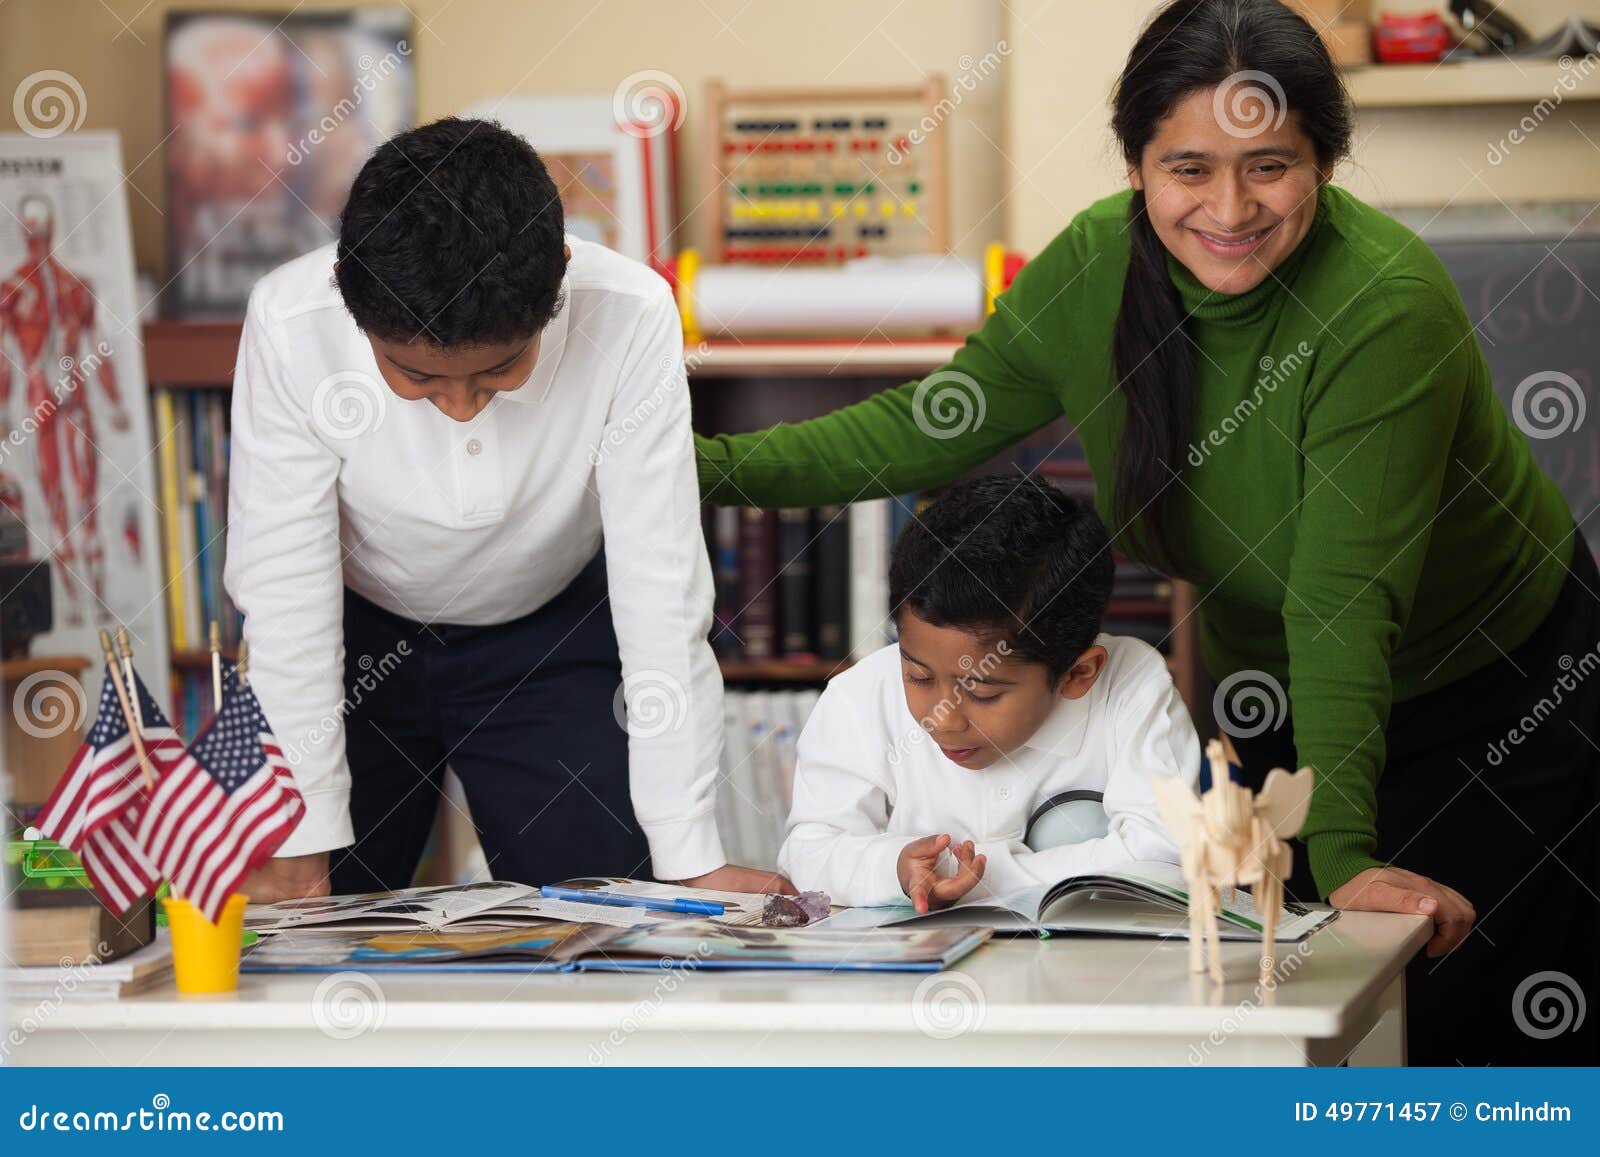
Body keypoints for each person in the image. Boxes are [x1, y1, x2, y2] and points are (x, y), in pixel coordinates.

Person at [699, 0, 1598, 1063]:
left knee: (1459, 1031)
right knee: (1264, 1020)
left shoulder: (1384, 305)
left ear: (1324, 163)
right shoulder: (1092, 269)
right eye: (1189, 168)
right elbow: (922, 425)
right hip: (1277, 687)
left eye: (1270, 166)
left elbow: (1342, 597)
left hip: (1500, 691)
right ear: (1136, 166)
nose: (1229, 206)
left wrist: (1347, 852)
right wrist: (692, 472)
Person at [228, 117, 788, 904]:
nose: (459, 406)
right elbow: (284, 594)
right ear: (348, 296)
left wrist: (689, 848)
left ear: (556, 279)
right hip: (352, 645)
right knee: (299, 920)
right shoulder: (292, 325)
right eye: (417, 377)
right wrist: (297, 838)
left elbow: (662, 588)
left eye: (497, 371)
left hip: (547, 640)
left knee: (616, 918)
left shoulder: (630, 313)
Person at [778, 476, 1199, 912]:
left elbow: (1165, 855)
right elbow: (809, 851)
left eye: (981, 692)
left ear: (1079, 673)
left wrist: (983, 878)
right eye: (919, 677)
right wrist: (896, 869)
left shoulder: (1130, 685)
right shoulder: (860, 696)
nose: (943, 719)